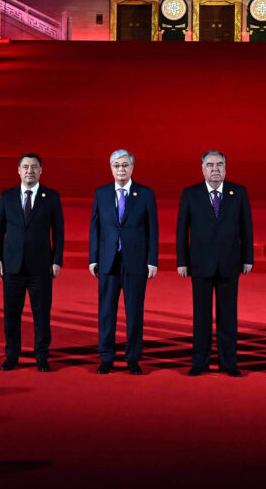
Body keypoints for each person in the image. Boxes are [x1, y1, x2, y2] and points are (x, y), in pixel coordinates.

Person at [176, 150, 254, 377]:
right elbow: (182, 230)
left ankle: (228, 363)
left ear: (226, 168)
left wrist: (248, 257)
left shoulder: (238, 192)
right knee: (201, 317)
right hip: (200, 264)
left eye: (220, 164)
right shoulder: (190, 194)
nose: (215, 169)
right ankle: (199, 363)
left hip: (230, 263)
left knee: (228, 316)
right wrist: (182, 261)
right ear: (202, 169)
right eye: (210, 165)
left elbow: (246, 227)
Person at [89, 149, 158, 375]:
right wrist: (93, 258)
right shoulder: (101, 193)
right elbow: (95, 228)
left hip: (136, 261)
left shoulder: (146, 193)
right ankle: (106, 358)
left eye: (125, 165)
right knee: (106, 312)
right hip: (108, 261)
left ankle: (133, 358)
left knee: (134, 312)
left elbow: (152, 230)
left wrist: (152, 260)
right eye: (117, 165)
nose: (121, 169)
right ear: (111, 168)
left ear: (132, 167)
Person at [0, 152, 63, 372]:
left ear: (41, 170)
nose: (29, 171)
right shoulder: (7, 196)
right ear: (19, 170)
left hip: (41, 266)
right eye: (25, 167)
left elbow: (58, 232)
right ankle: (12, 355)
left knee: (41, 314)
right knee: (11, 314)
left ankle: (41, 356)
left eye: (34, 167)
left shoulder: (51, 197)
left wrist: (56, 260)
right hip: (12, 266)